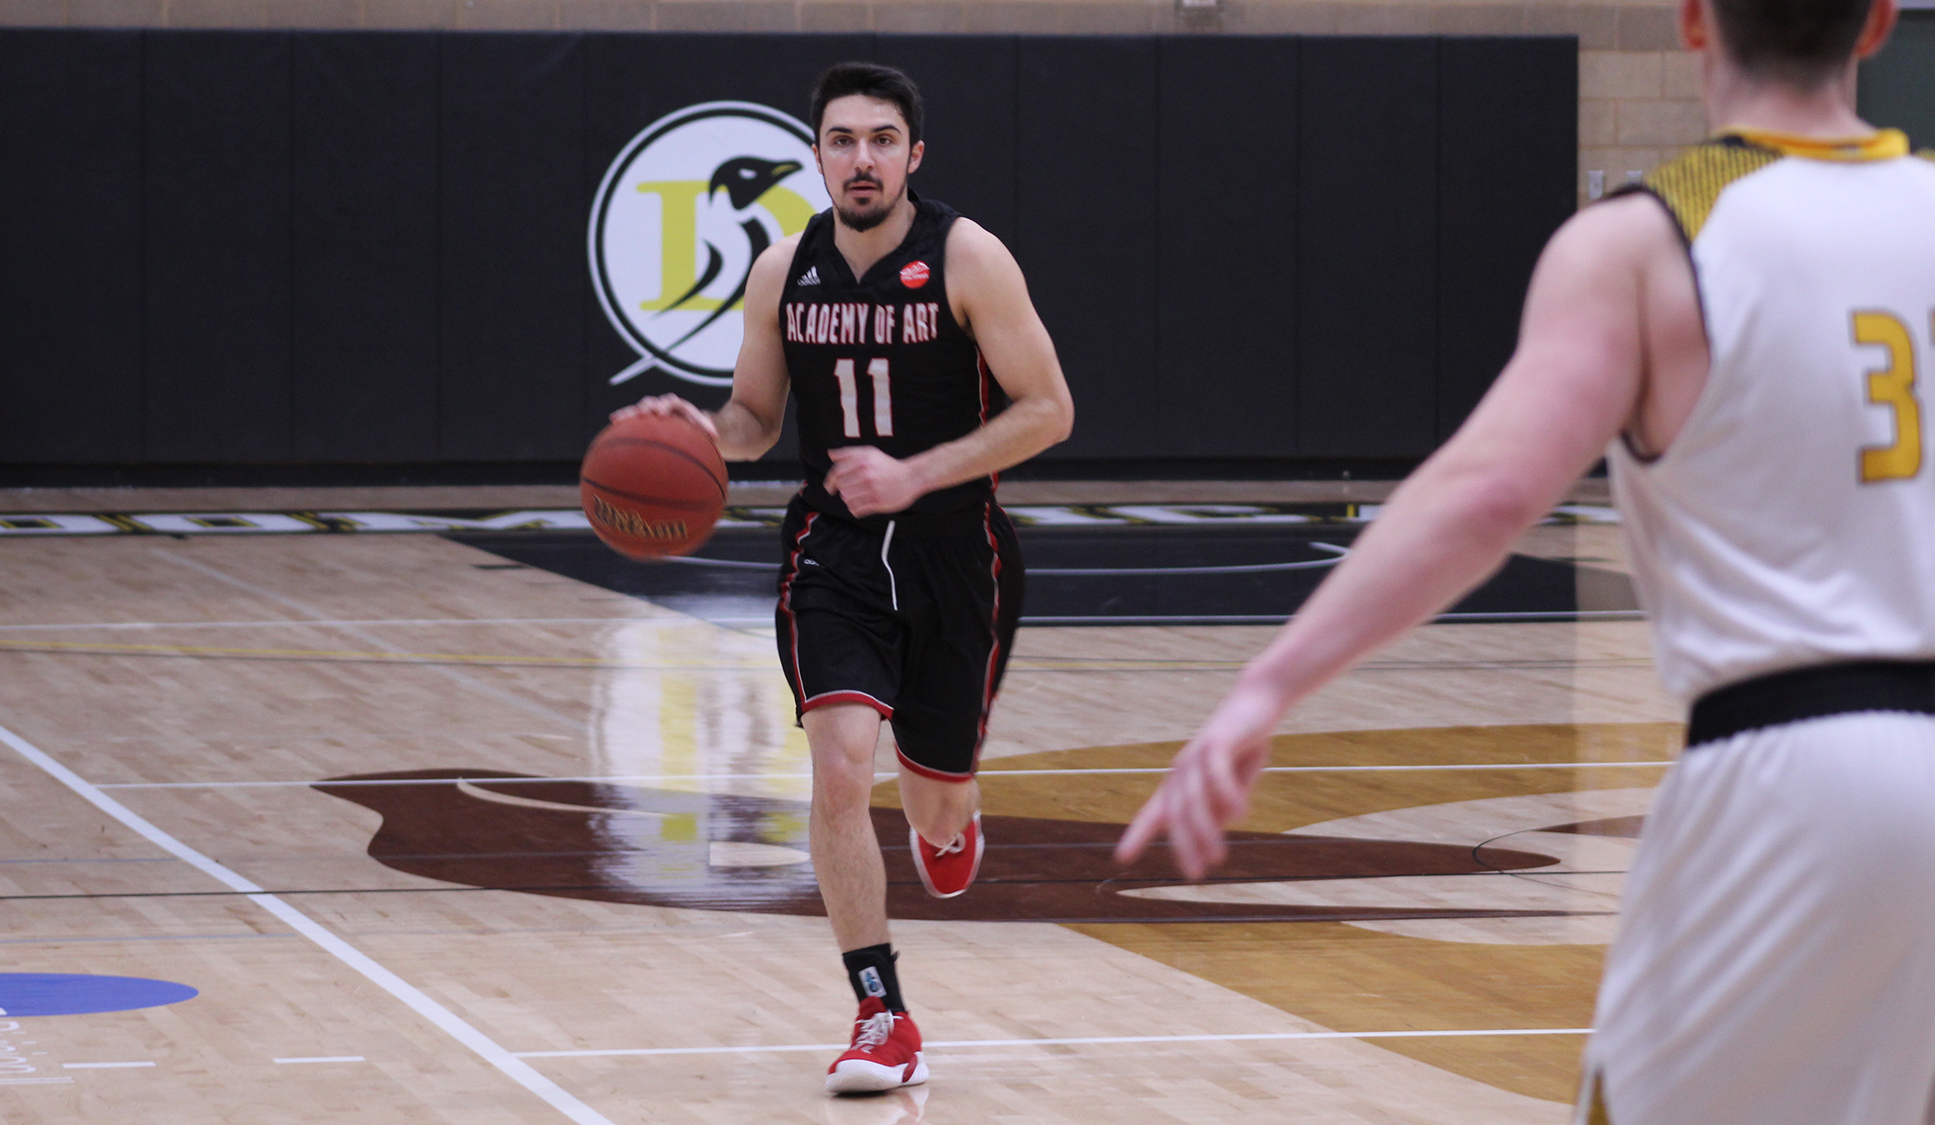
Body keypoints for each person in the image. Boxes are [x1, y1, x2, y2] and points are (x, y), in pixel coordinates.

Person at [1117, 0, 1935, 1119]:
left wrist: (1266, 686)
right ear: (1879, 24)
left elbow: (1490, 491)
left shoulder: (1652, 236)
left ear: (1692, 20)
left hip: (1791, 769)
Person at [616, 62, 1074, 1095]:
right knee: (834, 771)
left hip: (957, 555)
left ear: (912, 156)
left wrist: (912, 472)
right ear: (815, 154)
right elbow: (755, 420)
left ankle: (949, 820)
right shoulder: (784, 269)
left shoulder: (966, 257)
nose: (858, 159)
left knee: (935, 804)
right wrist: (692, 431)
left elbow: (1048, 409)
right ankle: (881, 1012)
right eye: (839, 139)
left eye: (879, 140)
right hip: (830, 556)